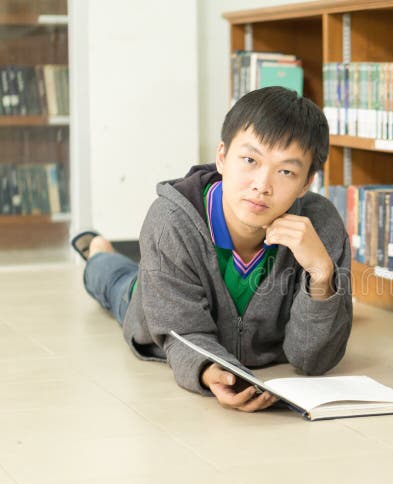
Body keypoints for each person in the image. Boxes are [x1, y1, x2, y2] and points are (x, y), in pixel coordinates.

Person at [73, 86, 352, 412]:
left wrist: (321, 277)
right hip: (155, 302)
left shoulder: (321, 226)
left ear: (306, 183)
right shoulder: (170, 222)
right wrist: (208, 371)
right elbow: (182, 331)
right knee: (120, 285)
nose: (262, 184)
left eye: (286, 171)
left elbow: (312, 359)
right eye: (249, 160)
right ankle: (98, 253)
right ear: (222, 156)